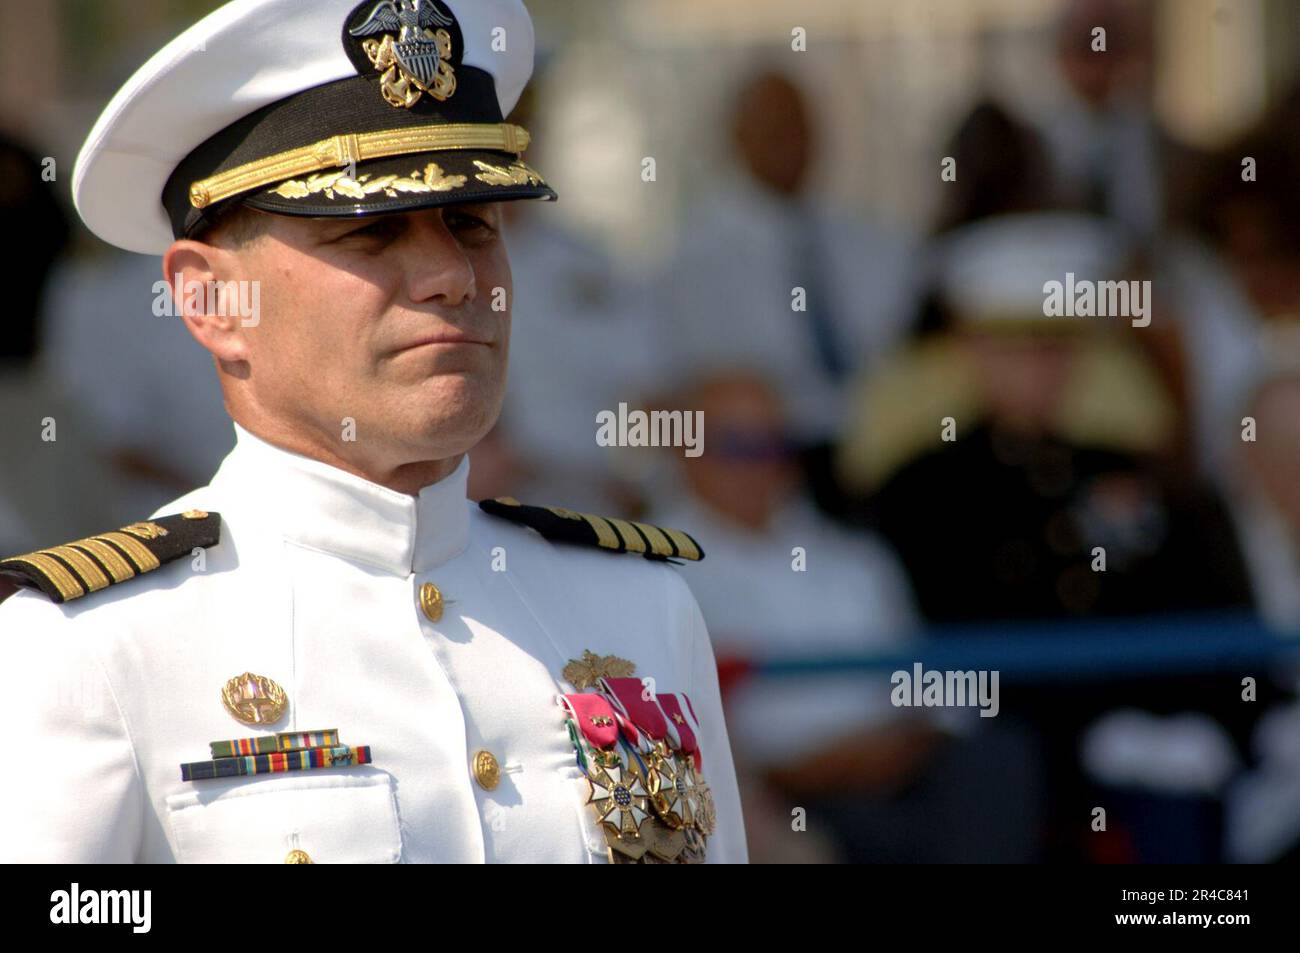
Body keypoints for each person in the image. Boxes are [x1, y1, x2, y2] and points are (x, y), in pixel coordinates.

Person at [0, 0, 745, 865]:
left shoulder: (644, 608)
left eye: (472, 222)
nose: (450, 275)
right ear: (209, 300)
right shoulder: (94, 650)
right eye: (373, 231)